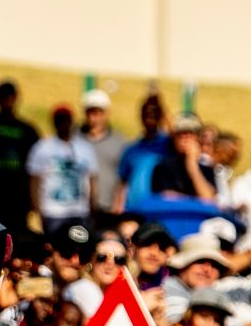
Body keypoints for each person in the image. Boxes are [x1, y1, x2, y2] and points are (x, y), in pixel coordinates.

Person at [0, 81, 40, 234]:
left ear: (16, 97)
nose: (7, 100)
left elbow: (36, 167)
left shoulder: (27, 130)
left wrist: (33, 198)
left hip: (18, 198)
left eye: (10, 96)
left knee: (17, 241)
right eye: (3, 96)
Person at [28, 106, 97, 231]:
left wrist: (91, 208)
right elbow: (34, 181)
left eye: (66, 119)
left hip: (79, 211)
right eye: (60, 120)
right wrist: (37, 211)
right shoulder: (43, 147)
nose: (63, 123)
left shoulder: (84, 147)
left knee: (80, 246)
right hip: (52, 212)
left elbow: (91, 179)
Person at [112, 93, 170, 212]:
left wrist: (163, 111)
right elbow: (122, 183)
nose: (150, 117)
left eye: (154, 113)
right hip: (133, 210)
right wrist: (117, 210)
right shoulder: (131, 149)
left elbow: (178, 134)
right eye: (147, 113)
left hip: (158, 209)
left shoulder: (167, 145)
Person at [162, 233, 233, 324]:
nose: (207, 269)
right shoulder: (166, 288)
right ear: (182, 265)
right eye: (200, 261)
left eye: (215, 264)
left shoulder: (218, 295)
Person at [79, 90, 126, 220]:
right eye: (91, 112)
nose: (95, 118)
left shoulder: (119, 142)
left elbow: (124, 178)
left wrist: (119, 204)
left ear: (107, 113)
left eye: (99, 113)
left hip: (108, 208)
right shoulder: (75, 139)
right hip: (78, 209)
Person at [151, 114, 217, 202]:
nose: (185, 138)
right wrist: (195, 200)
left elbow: (209, 199)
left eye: (190, 134)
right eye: (180, 134)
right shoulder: (163, 167)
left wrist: (192, 165)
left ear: (198, 139)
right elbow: (167, 197)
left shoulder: (207, 170)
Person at [46, 223, 101, 318]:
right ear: (51, 250)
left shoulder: (89, 293)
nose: (75, 261)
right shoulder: (36, 279)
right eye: (67, 251)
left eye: (84, 255)